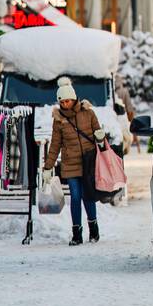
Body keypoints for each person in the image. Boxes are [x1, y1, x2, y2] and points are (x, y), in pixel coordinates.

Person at [44, 76, 109, 246]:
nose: (65, 104)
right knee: (75, 197)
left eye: (68, 101)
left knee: (88, 196)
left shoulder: (88, 113)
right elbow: (55, 145)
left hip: (88, 162)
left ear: (74, 99)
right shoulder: (59, 120)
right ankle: (76, 233)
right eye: (62, 101)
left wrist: (101, 137)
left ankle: (93, 229)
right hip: (70, 164)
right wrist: (47, 167)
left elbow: (98, 134)